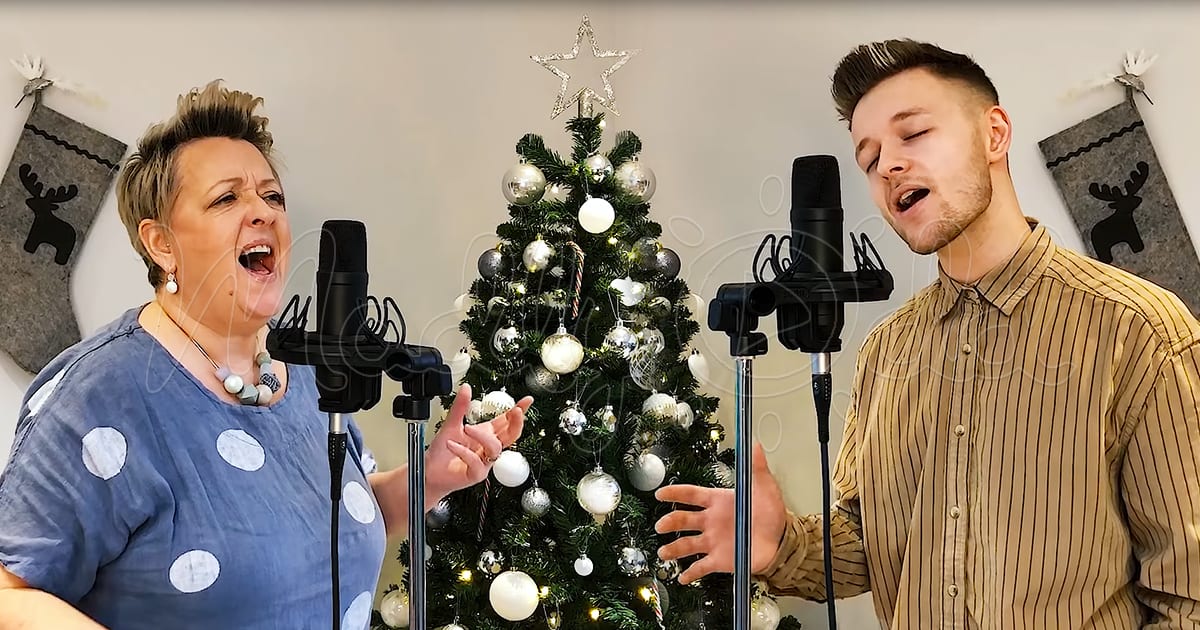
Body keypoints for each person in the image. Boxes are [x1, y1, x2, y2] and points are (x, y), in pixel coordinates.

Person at [655, 39, 1200, 628]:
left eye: (912, 134)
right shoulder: (887, 352)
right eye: (869, 159)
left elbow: (1187, 598)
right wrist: (780, 543)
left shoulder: (1138, 331)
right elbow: (870, 543)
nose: (888, 164)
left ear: (993, 134)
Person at [0, 80, 531, 630]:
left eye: (271, 196)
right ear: (161, 243)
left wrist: (429, 477)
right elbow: (7, 594)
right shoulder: (98, 396)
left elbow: (337, 514)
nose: (263, 212)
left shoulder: (302, 366)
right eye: (227, 198)